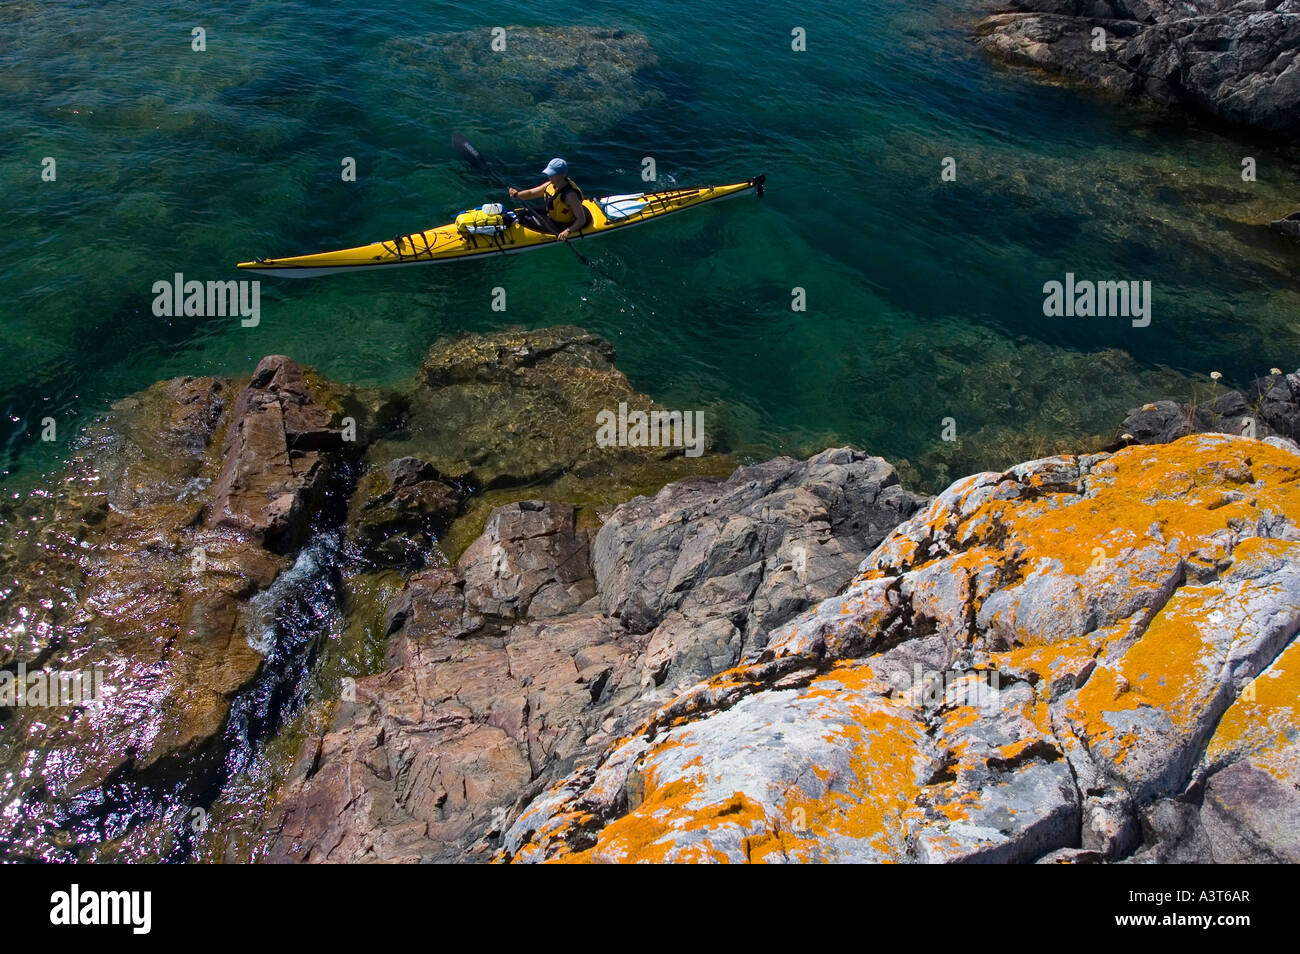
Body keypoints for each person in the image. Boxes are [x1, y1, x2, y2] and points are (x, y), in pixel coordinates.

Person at [509, 158, 590, 240]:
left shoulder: (570, 196)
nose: (549, 176)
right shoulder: (550, 185)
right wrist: (517, 194)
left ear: (563, 175)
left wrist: (567, 231)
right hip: (551, 215)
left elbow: (581, 219)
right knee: (522, 213)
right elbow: (531, 193)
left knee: (527, 221)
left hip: (561, 225)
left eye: (553, 174)